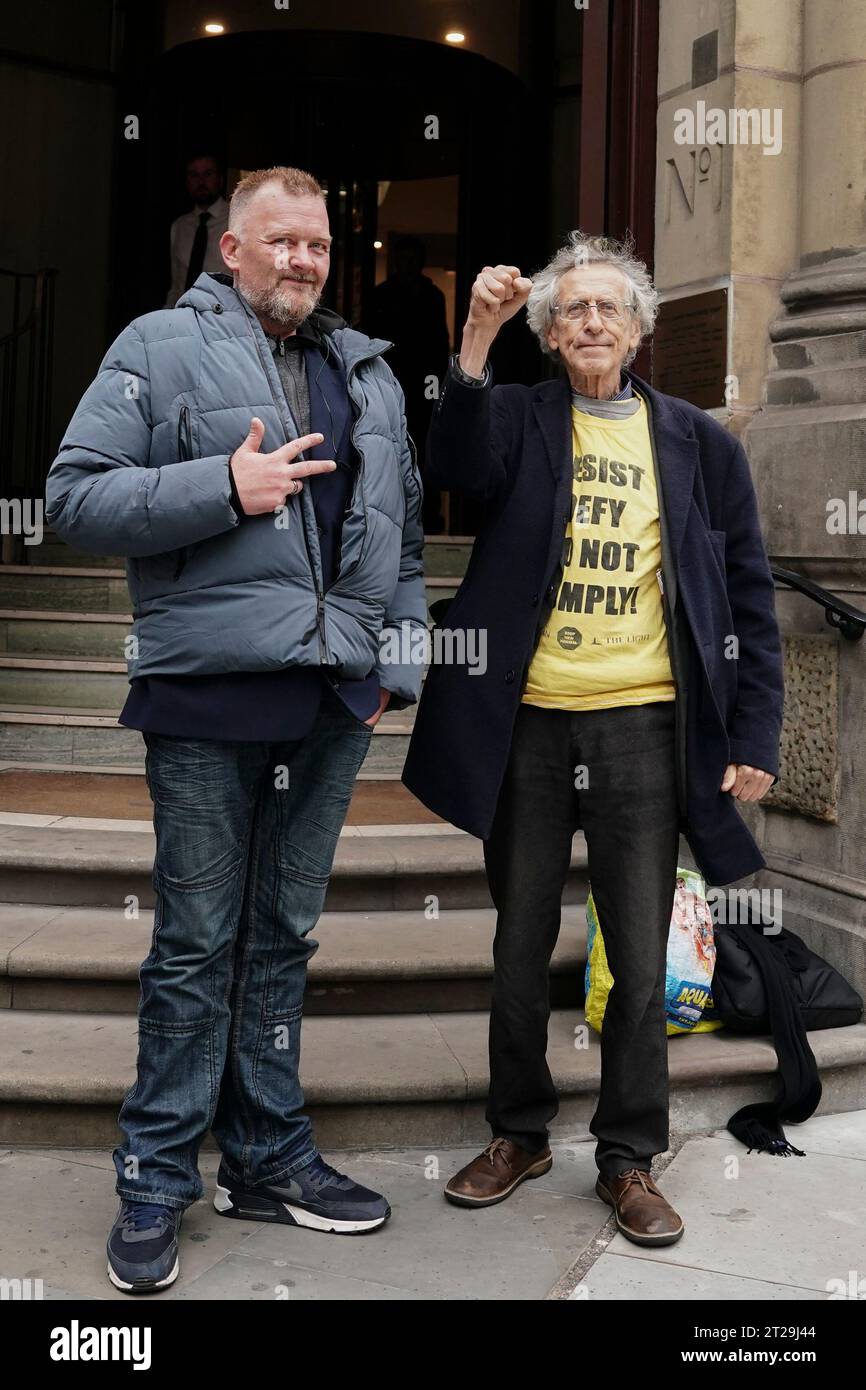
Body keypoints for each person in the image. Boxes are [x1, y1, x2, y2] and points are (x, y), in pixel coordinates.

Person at [45, 164, 426, 1293]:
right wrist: (224, 482)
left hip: (332, 699)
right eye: (281, 241)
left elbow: (396, 538)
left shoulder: (367, 372)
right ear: (231, 249)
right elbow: (73, 497)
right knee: (196, 947)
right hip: (209, 696)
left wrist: (390, 666)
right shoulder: (160, 344)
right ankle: (155, 1180)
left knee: (283, 941)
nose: (303, 260)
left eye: (316, 243)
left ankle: (266, 1157)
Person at [401, 233, 784, 1246]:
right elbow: (449, 468)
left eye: (608, 307)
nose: (589, 322)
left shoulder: (701, 445)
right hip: (528, 719)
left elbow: (747, 589)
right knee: (518, 941)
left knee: (639, 957)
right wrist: (473, 340)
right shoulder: (521, 416)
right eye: (569, 309)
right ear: (548, 330)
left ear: (638, 328)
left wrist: (753, 729)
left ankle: (626, 1157)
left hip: (643, 725)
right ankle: (516, 1133)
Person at [369, 236, 451, 532]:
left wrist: (435, 387)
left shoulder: (433, 296)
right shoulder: (382, 295)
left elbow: (440, 344)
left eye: (411, 259)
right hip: (389, 379)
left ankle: (429, 518)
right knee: (388, 446)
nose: (406, 265)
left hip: (422, 383)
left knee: (425, 448)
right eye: (401, 259)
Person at [164, 153, 230, 308]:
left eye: (208, 174)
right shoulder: (179, 226)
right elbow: (177, 284)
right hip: (183, 317)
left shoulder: (237, 219)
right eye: (194, 175)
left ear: (220, 180)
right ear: (187, 182)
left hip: (222, 318)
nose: (201, 181)